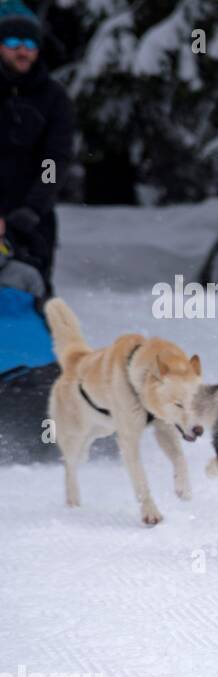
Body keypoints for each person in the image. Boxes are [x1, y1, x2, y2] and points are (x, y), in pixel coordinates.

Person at [0, 0, 75, 464]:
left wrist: (29, 211)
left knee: (33, 296)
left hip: (33, 223)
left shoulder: (52, 97)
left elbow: (55, 161)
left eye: (30, 42)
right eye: (13, 41)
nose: (23, 50)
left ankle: (46, 386)